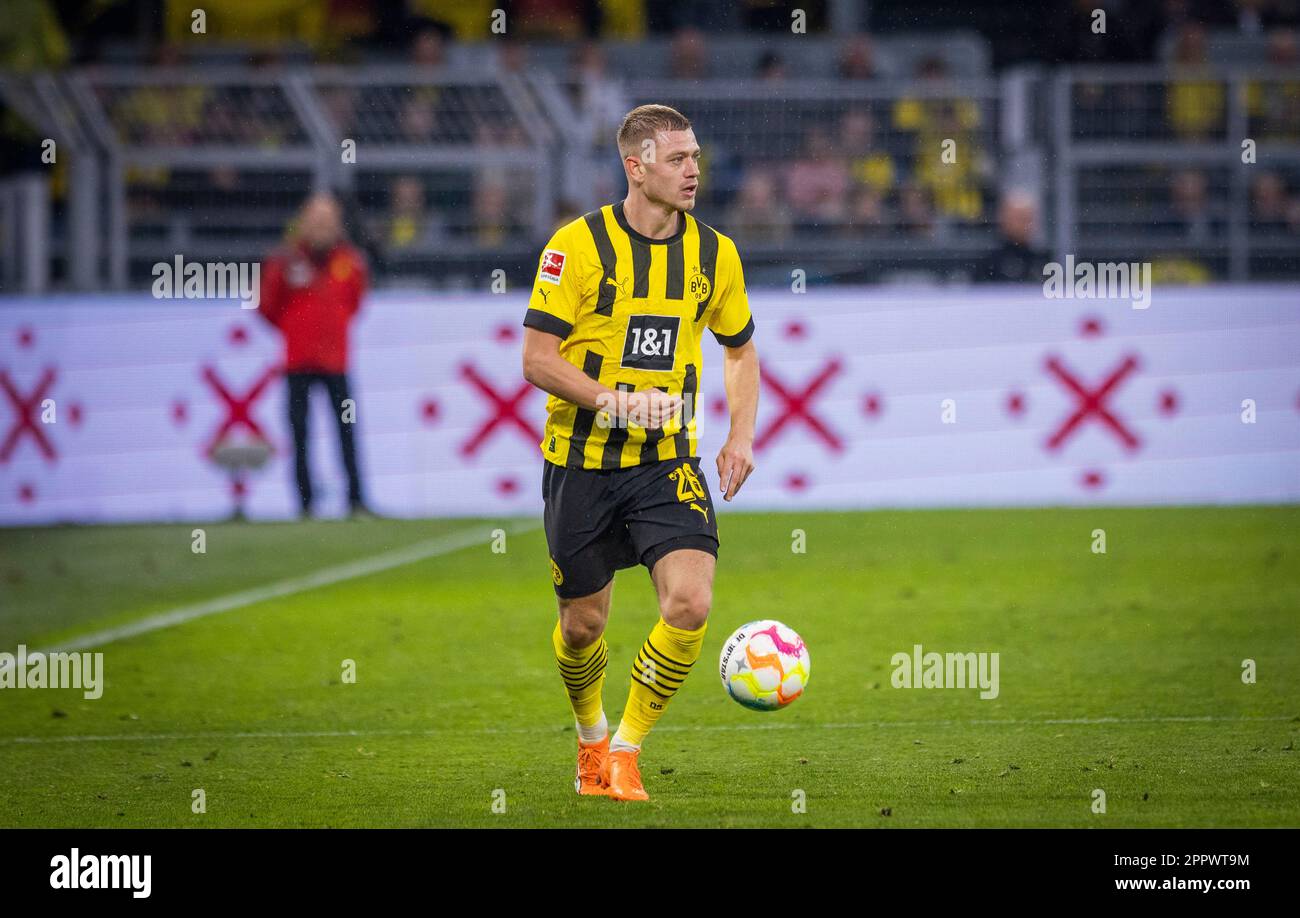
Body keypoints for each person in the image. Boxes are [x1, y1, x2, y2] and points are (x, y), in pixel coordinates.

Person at [521, 104, 760, 802]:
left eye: (696, 158)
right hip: (582, 462)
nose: (693, 172)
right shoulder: (579, 246)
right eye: (678, 159)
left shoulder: (715, 253)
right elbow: (537, 360)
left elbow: (740, 349)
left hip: (666, 461)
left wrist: (739, 435)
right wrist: (614, 401)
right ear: (637, 166)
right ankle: (591, 736)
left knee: (689, 602)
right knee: (581, 625)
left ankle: (626, 750)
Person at [258, 192, 370, 518]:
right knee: (299, 432)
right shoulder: (285, 261)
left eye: (328, 220)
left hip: (337, 361)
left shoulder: (349, 261)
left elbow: (355, 302)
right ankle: (306, 505)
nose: (322, 226)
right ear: (304, 222)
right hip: (297, 362)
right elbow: (266, 306)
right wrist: (296, 329)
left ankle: (356, 500)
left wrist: (330, 328)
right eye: (317, 219)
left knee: (346, 430)